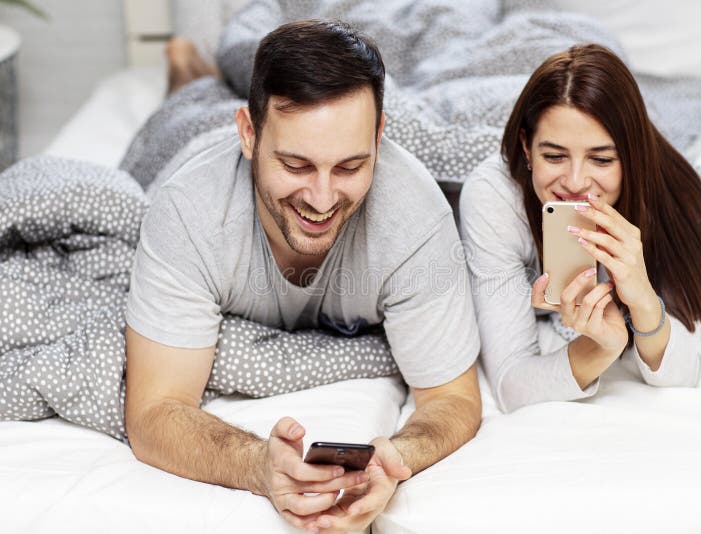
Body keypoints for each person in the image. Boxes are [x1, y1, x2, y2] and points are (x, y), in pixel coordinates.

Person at [124, 20, 481, 533]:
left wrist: (396, 457)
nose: (321, 199)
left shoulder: (414, 217)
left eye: (349, 166)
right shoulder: (187, 208)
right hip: (181, 146)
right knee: (182, 108)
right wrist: (257, 465)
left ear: (379, 138)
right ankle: (187, 71)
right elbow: (154, 412)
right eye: (295, 164)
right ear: (249, 134)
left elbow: (452, 398)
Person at [459, 44, 701, 413]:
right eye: (554, 156)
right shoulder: (494, 196)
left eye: (601, 158)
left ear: (632, 155)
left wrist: (642, 298)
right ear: (527, 149)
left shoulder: (678, 196)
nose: (576, 182)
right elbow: (511, 384)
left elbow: (684, 372)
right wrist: (600, 347)